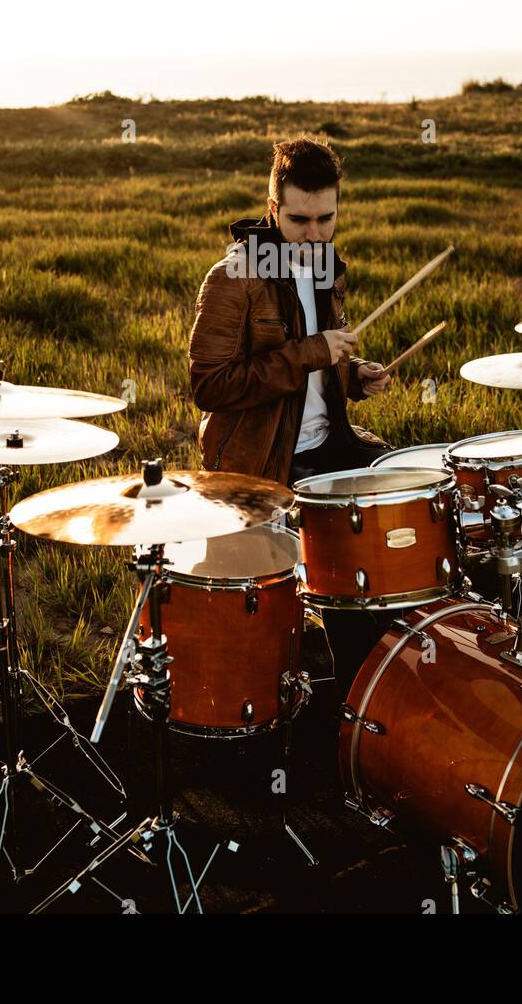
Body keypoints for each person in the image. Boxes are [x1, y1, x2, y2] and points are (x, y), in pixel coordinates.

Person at [188, 135, 396, 695]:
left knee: (413, 498)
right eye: (301, 220)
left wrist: (353, 376)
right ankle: (356, 697)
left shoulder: (327, 267)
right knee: (348, 583)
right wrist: (310, 353)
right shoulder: (232, 278)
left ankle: (392, 678)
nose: (315, 234)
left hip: (330, 446)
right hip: (264, 463)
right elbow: (209, 386)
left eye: (326, 219)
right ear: (273, 207)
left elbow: (320, 362)